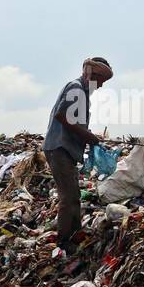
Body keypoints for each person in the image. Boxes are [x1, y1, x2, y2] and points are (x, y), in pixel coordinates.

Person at [43, 56, 112, 252]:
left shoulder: (81, 92)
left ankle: (74, 235)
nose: (99, 86)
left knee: (73, 196)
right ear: (92, 75)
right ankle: (65, 241)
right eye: (100, 81)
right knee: (68, 197)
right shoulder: (76, 88)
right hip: (59, 148)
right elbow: (63, 116)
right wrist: (88, 136)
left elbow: (74, 122)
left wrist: (90, 136)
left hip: (65, 150)